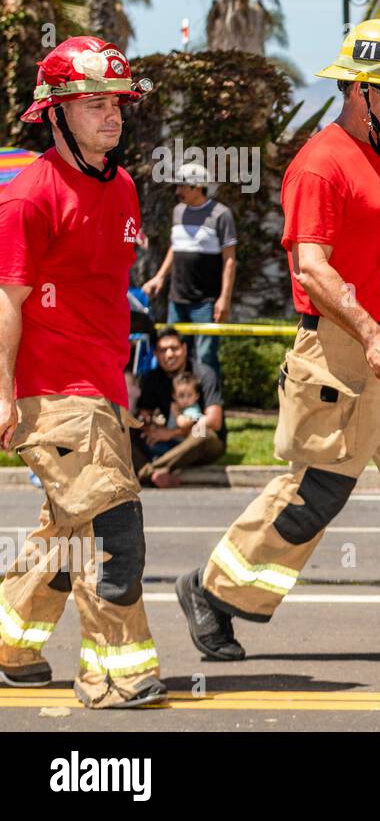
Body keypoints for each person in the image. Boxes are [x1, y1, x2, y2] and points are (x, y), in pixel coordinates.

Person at [174, 19, 380, 661]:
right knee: (315, 495)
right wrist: (371, 334)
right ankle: (210, 590)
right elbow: (311, 267)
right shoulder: (321, 164)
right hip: (343, 353)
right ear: (359, 90)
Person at [0, 35, 166, 708]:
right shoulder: (27, 199)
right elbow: (6, 301)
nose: (112, 115)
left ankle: (10, 642)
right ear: (55, 114)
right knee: (113, 532)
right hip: (52, 395)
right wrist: (3, 393)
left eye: (117, 103)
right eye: (93, 103)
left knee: (67, 540)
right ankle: (114, 674)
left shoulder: (122, 187)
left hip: (102, 392)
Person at [141, 161, 237, 382]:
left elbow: (230, 259)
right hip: (177, 299)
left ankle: (212, 410)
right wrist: (159, 277)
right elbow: (176, 247)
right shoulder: (177, 212)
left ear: (197, 187)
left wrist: (225, 298)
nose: (178, 191)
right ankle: (176, 409)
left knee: (205, 357)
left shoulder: (222, 215)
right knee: (173, 355)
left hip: (206, 301)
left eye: (182, 186)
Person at [131, 327, 226, 488]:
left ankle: (147, 473)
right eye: (162, 350)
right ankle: (156, 474)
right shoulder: (152, 378)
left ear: (184, 349)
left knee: (203, 433)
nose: (169, 355)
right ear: (155, 354)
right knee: (125, 430)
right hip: (166, 446)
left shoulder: (205, 374)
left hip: (200, 445)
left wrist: (171, 433)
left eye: (174, 348)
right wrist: (148, 423)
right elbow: (144, 413)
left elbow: (215, 421)